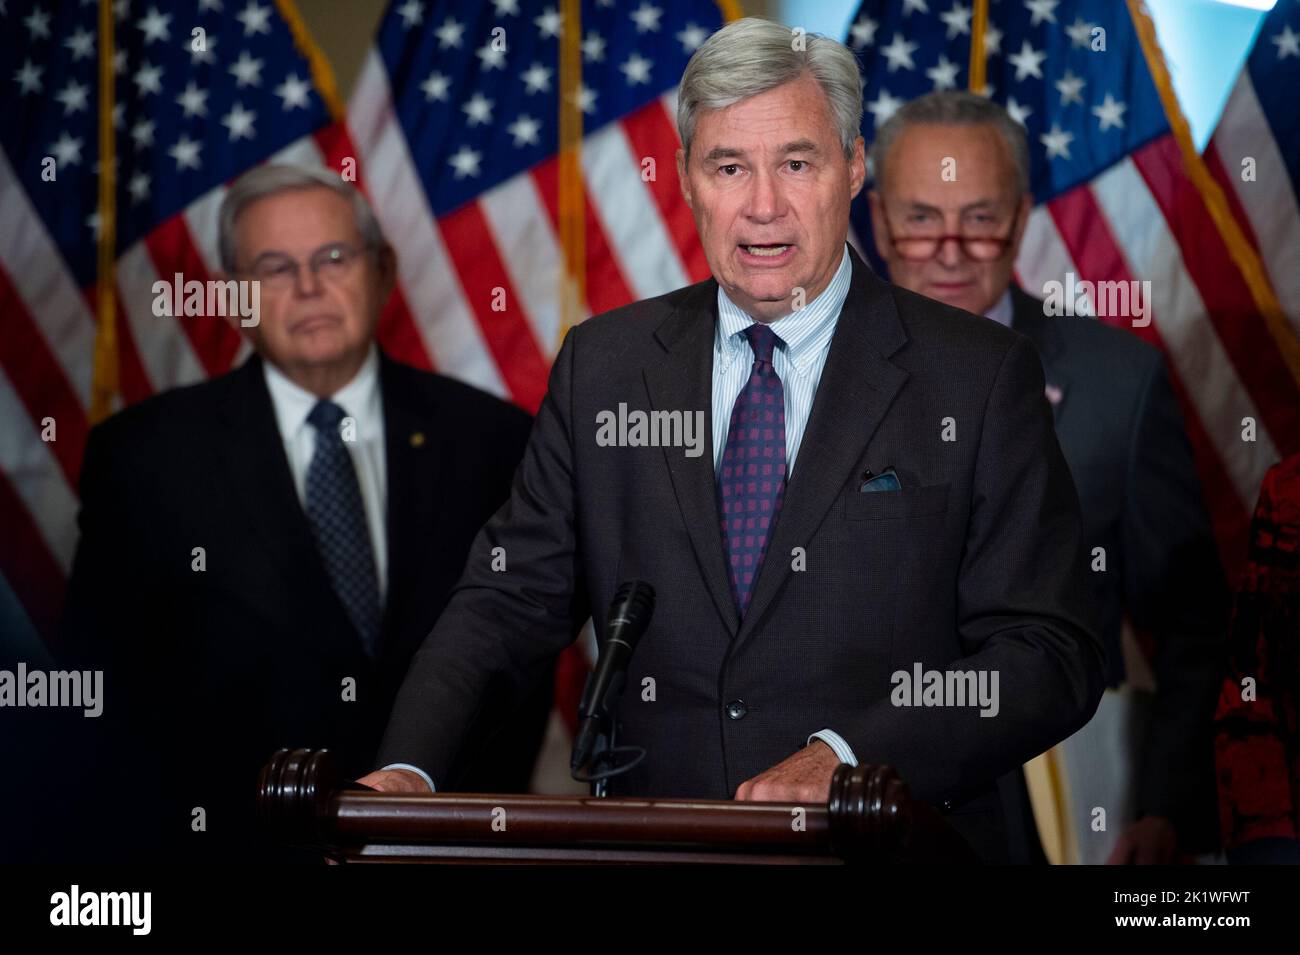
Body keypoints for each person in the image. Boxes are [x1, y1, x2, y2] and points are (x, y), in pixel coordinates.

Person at [361, 18, 1105, 865]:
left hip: (891, 847)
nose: (762, 206)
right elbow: (506, 602)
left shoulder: (977, 374)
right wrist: (408, 768)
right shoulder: (603, 368)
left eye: (796, 162)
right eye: (728, 167)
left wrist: (850, 756)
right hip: (666, 851)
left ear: (853, 168)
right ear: (685, 179)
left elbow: (1049, 652)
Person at [62, 164, 551, 860]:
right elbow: (104, 697)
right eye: (273, 268)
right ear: (234, 297)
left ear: (381, 271)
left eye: (332, 256)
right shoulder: (144, 458)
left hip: (448, 855)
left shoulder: (496, 439)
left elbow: (521, 666)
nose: (308, 286)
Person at [867, 91, 1230, 864]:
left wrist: (1166, 807)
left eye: (981, 216)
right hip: (854, 810)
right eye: (922, 217)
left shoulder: (1116, 384)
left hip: (1060, 829)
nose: (951, 249)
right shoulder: (795, 375)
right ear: (877, 221)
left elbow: (1197, 625)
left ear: (1023, 218)